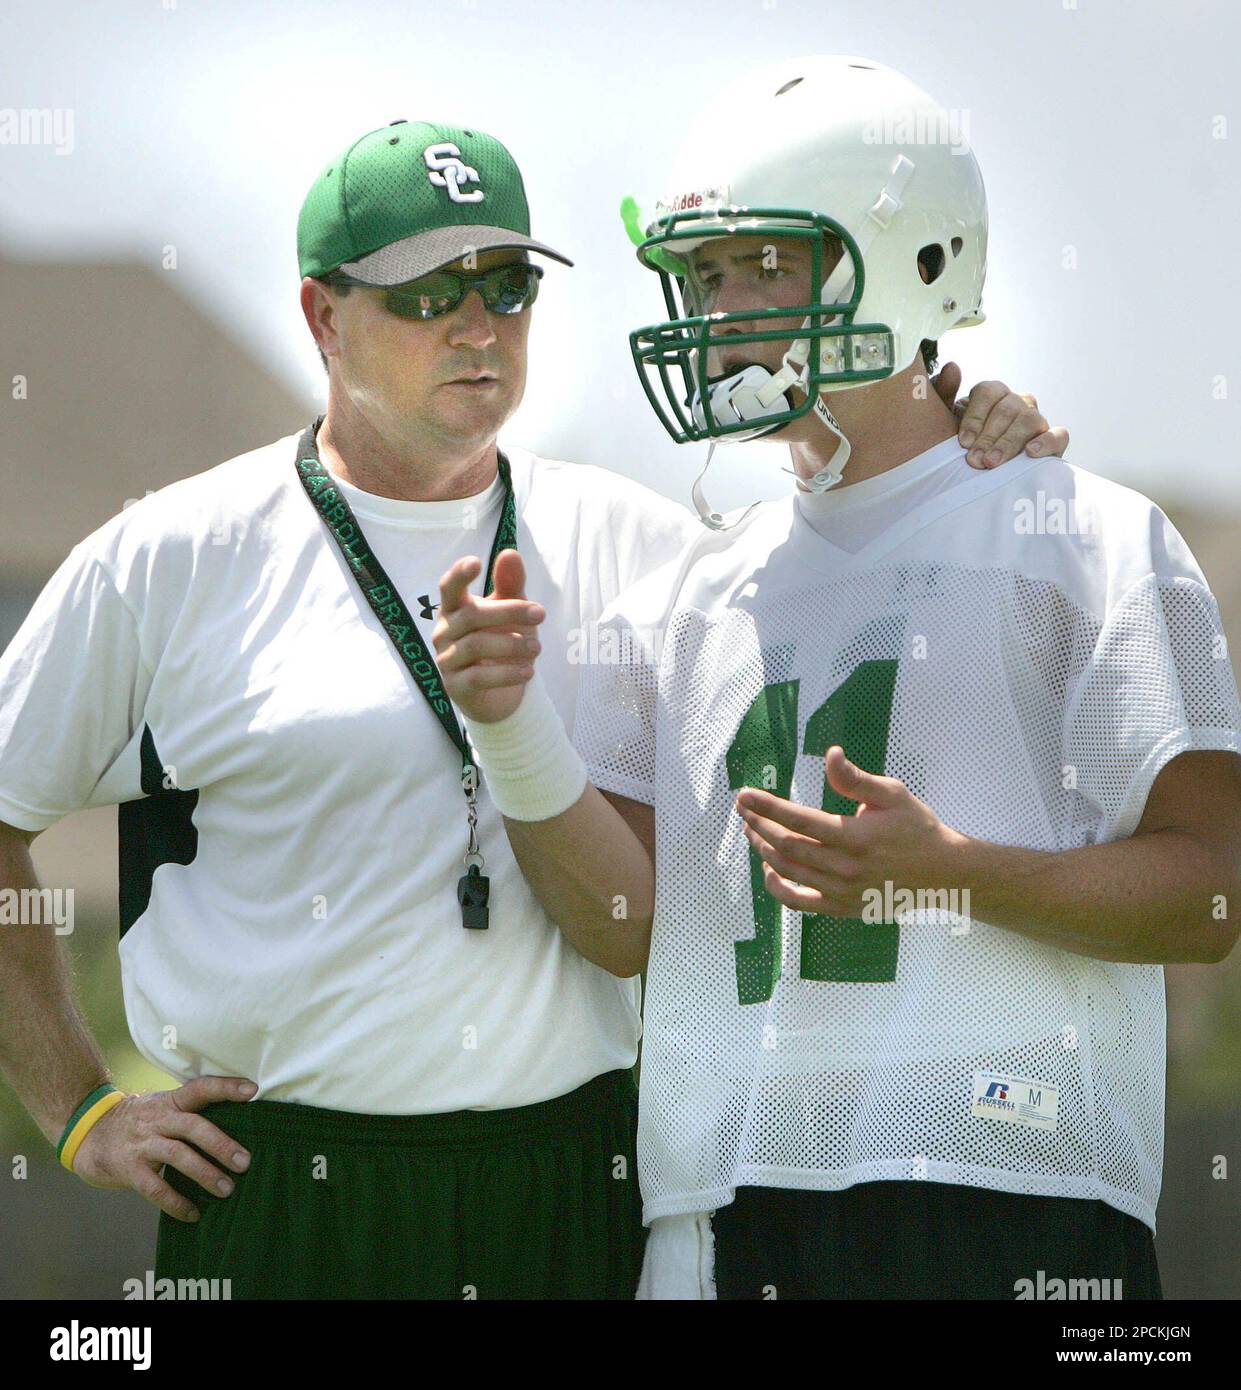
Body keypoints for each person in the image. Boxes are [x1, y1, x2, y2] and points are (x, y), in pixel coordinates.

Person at [0, 116, 1058, 1300]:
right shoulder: (168, 556)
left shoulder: (647, 541)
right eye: (424, 293)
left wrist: (965, 430)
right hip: (284, 1186)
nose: (477, 325)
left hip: (575, 1178)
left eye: (505, 285)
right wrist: (79, 1107)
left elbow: (853, 541)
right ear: (320, 315)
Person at [437, 58, 1241, 1301]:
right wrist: (508, 730)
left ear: (910, 255)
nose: (717, 310)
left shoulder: (1084, 540)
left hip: (1007, 1192)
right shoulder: (689, 592)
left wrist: (955, 877)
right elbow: (630, 927)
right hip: (723, 1205)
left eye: (762, 265)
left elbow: (1208, 901)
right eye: (702, 274)